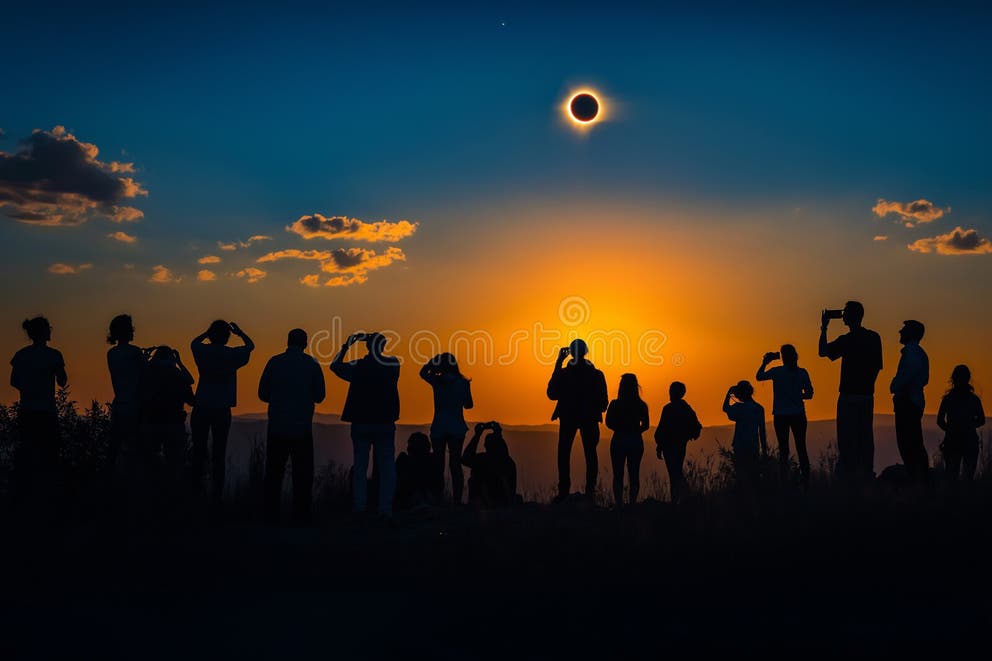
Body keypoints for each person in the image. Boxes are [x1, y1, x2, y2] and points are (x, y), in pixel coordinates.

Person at [258, 328, 326, 525]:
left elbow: (262, 394)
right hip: (302, 427)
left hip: (277, 426)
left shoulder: (274, 362)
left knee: (273, 473)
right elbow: (320, 396)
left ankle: (270, 515)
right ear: (305, 344)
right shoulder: (312, 365)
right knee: (303, 475)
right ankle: (301, 515)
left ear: (287, 342)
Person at [330, 332, 400, 518]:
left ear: (367, 347)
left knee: (360, 466)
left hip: (361, 421)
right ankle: (385, 508)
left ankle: (359, 507)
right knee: (387, 467)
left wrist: (347, 345)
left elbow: (335, 366)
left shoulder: (358, 367)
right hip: (384, 421)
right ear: (383, 346)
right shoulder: (392, 364)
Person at [818, 301, 883, 484]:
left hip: (848, 396)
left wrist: (824, 328)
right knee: (865, 437)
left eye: (845, 313)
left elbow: (823, 351)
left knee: (847, 438)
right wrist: (868, 385)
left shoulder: (846, 340)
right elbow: (877, 367)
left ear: (848, 317)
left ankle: (848, 477)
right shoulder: (874, 338)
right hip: (867, 395)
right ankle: (866, 474)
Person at [190, 320, 254, 503]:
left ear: (211, 335)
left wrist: (206, 332)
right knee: (219, 454)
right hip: (222, 408)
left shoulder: (203, 351)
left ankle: (195, 493)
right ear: (227, 336)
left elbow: (193, 343)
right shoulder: (232, 355)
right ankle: (216, 496)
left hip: (202, 405)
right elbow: (250, 346)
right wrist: (239, 332)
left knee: (198, 452)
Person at [9, 316, 68, 505]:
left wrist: (29, 390)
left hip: (27, 410)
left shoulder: (20, 355)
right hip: (47, 411)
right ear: (45, 332)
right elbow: (63, 381)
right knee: (51, 455)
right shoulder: (54, 355)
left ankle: (24, 495)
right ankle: (49, 497)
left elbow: (14, 381)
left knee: (28, 453)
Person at [547, 339, 608, 500]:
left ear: (571, 353)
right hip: (589, 418)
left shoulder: (564, 374)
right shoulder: (596, 375)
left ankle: (564, 491)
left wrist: (558, 363)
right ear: (585, 352)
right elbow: (604, 404)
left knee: (564, 453)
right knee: (590, 454)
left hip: (568, 417)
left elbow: (551, 393)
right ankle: (590, 492)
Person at [756, 344, 814, 486]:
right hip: (798, 414)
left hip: (781, 415)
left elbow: (759, 377)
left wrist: (765, 362)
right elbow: (810, 394)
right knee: (801, 447)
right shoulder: (802, 373)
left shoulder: (777, 372)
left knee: (783, 450)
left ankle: (784, 481)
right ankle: (805, 480)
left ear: (783, 357)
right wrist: (798, 396)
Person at [419, 353, 473, 504]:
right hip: (457, 427)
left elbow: (422, 373)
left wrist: (431, 363)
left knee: (439, 464)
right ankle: (457, 500)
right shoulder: (463, 382)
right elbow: (469, 405)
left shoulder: (437, 381)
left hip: (439, 427)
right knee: (455, 464)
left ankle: (438, 498)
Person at [139, 346, 195, 487]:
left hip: (152, 422)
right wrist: (180, 364)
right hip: (174, 423)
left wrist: (145, 361)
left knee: (149, 462)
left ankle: (150, 492)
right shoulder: (178, 375)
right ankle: (172, 493)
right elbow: (191, 400)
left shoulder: (147, 375)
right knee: (175, 463)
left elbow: (139, 396)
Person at [889, 320, 930, 486]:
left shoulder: (911, 353)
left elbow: (908, 375)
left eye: (904, 329)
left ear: (911, 333)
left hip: (907, 402)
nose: (900, 331)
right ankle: (919, 479)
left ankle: (918, 480)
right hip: (912, 401)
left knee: (908, 444)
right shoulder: (918, 353)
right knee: (913, 443)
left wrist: (896, 385)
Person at [106, 314, 144, 475]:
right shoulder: (135, 352)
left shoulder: (111, 353)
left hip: (119, 404)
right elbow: (144, 375)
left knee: (114, 448)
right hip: (134, 406)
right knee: (136, 448)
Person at [605, 373, 649, 507]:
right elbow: (646, 425)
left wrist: (620, 428)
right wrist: (635, 431)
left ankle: (619, 505)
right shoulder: (641, 405)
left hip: (618, 440)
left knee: (618, 474)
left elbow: (608, 422)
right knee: (634, 473)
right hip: (635, 441)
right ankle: (632, 504)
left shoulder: (615, 404)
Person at [654, 381, 703, 504]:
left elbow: (662, 429)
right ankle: (684, 498)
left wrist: (659, 446)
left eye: (671, 390)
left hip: (669, 446)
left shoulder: (668, 408)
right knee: (677, 471)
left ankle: (680, 499)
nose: (669, 393)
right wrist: (687, 436)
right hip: (680, 445)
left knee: (674, 473)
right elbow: (697, 427)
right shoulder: (686, 408)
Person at [937, 365, 985, 484]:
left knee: (951, 478)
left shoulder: (948, 399)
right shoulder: (974, 399)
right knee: (968, 479)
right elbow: (981, 420)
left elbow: (940, 420)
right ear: (968, 379)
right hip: (969, 441)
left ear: (953, 379)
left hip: (952, 441)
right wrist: (969, 427)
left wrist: (950, 430)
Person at [461, 422, 517, 508]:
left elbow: (465, 459)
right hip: (504, 502)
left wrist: (477, 435)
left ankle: (477, 502)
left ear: (486, 446)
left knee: (473, 478)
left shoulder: (482, 460)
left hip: (483, 502)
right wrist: (498, 435)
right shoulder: (508, 462)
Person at [722, 381, 768, 485]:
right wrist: (764, 450)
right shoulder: (759, 409)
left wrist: (729, 393)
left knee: (741, 477)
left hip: (739, 445)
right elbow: (762, 431)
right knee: (754, 476)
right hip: (753, 446)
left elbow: (725, 408)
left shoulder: (738, 407)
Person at [394, 432, 444, 510]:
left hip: (412, 498)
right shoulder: (433, 460)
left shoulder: (405, 460)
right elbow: (439, 485)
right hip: (430, 498)